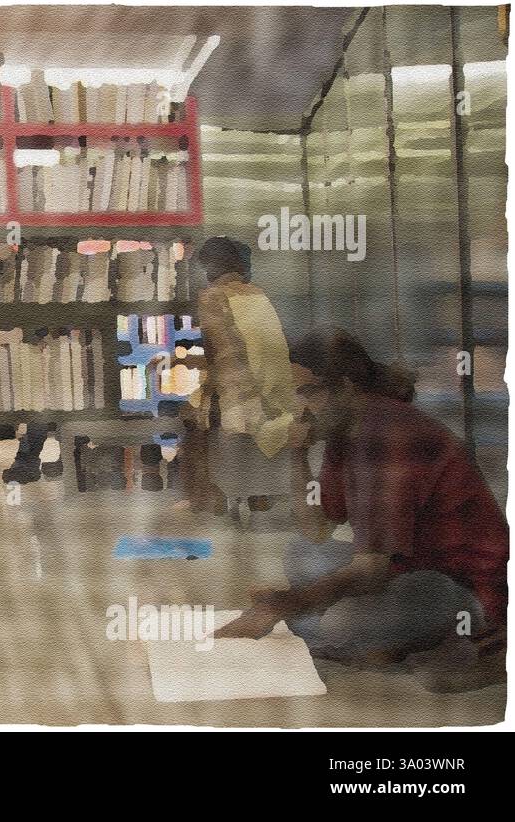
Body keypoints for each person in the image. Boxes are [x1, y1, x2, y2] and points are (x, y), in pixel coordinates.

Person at [217, 327, 507, 691]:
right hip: (408, 569)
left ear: (348, 385)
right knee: (302, 554)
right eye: (296, 395)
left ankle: (440, 637)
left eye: (309, 392)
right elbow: (317, 530)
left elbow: (371, 569)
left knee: (340, 623)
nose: (300, 407)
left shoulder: (387, 434)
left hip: (460, 587)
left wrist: (288, 605)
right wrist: (298, 455)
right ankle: (383, 641)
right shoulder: (345, 429)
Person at [177, 236, 295, 512]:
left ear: (209, 267)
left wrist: (199, 394)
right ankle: (257, 498)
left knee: (191, 422)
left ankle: (205, 499)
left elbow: (219, 352)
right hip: (275, 392)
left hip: (241, 394)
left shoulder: (212, 296)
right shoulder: (256, 293)